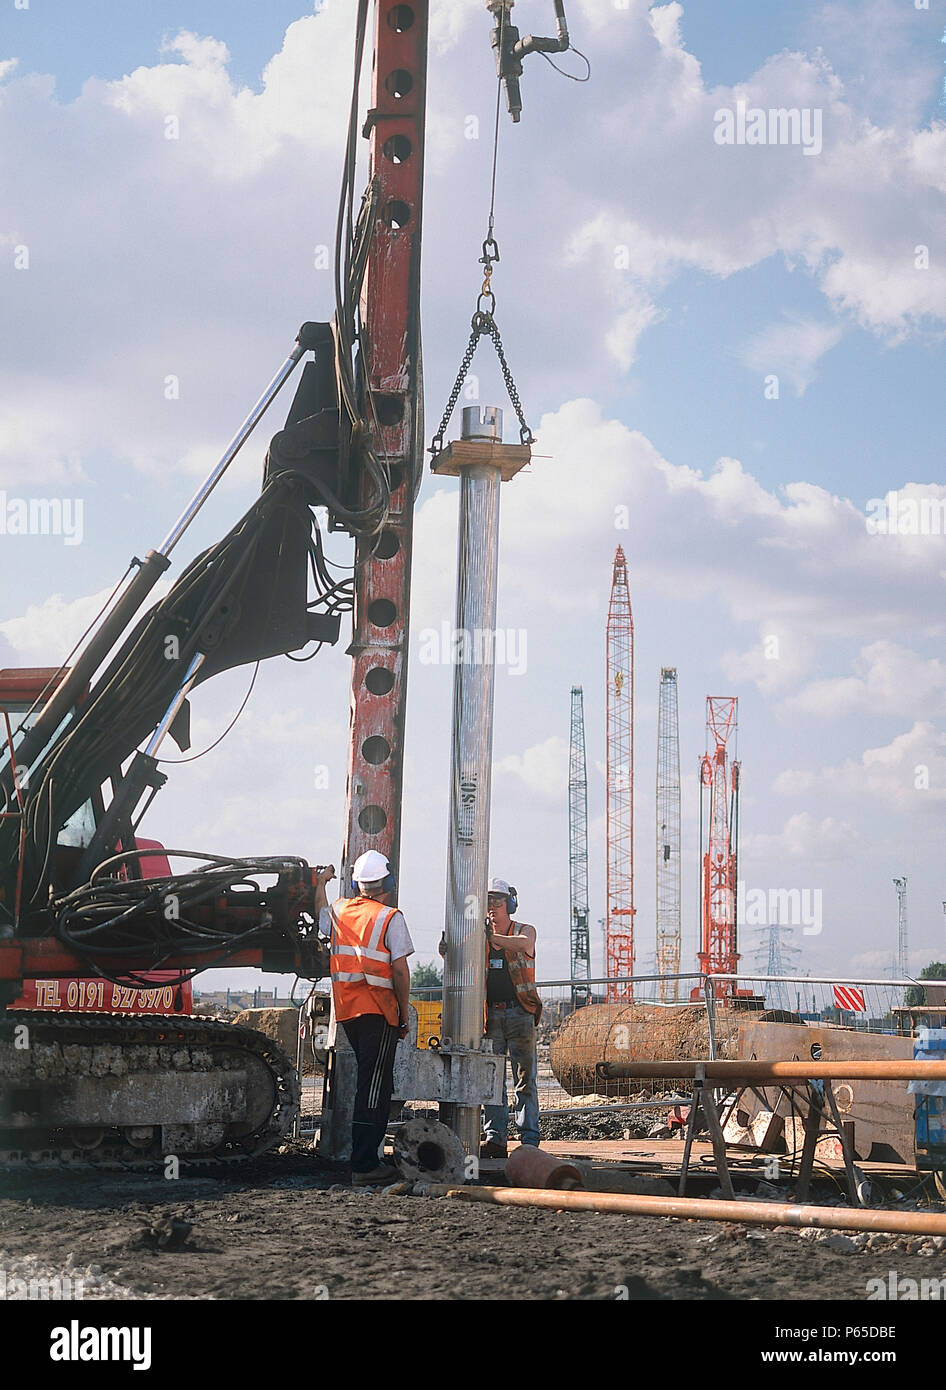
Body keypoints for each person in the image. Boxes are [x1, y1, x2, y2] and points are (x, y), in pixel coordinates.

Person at [316, 851, 413, 1186]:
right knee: (373, 1091)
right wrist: (403, 1012)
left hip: (347, 1012)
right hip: (379, 1010)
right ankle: (364, 1167)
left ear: (357, 882)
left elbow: (321, 917)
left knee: (368, 1086)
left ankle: (364, 1160)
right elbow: (400, 970)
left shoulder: (341, 909)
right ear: (388, 882)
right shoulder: (390, 918)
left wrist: (320, 884)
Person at [481, 877, 542, 1158]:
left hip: (520, 1013)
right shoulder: (479, 937)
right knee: (492, 1080)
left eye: (499, 901)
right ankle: (496, 1138)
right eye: (489, 900)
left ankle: (529, 1140)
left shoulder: (524, 931)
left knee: (524, 1079)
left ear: (510, 904)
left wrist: (491, 938)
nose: (493, 906)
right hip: (490, 1016)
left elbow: (523, 944)